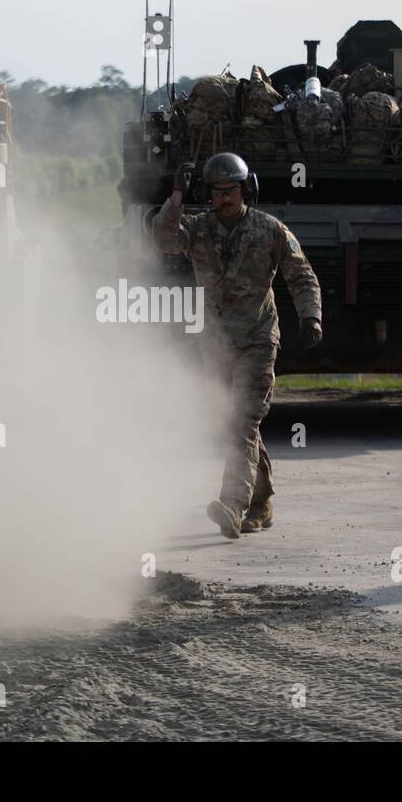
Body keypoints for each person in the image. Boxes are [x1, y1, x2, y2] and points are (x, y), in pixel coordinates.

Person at [153, 152, 322, 539]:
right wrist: (176, 195)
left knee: (243, 421)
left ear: (246, 190)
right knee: (234, 424)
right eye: (215, 192)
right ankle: (261, 503)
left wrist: (311, 316)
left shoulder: (269, 230)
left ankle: (232, 505)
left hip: (258, 341)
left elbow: (301, 274)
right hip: (214, 346)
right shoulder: (197, 230)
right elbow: (163, 239)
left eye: (230, 191)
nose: (223, 199)